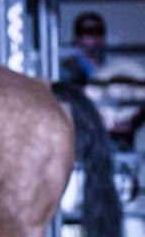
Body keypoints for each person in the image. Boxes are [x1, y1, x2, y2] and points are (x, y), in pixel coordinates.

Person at [60, 11, 145, 151]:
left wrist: (131, 123)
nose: (94, 37)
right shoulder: (66, 71)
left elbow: (140, 98)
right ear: (76, 38)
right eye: (87, 31)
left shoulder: (120, 69)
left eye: (99, 31)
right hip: (84, 147)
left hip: (119, 147)